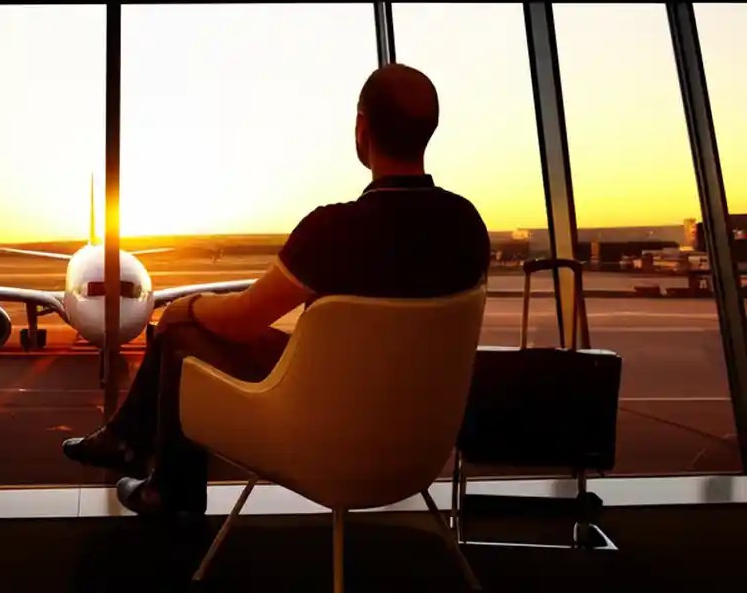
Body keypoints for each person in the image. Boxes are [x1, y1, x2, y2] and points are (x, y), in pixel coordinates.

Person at [62, 63, 491, 518]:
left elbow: (244, 319)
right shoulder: (468, 226)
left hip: (328, 433)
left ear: (362, 128)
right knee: (193, 330)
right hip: (420, 442)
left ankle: (163, 483)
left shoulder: (334, 228)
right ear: (429, 131)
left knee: (179, 334)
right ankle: (130, 447)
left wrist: (186, 307)